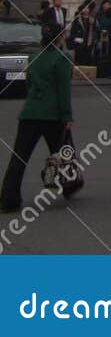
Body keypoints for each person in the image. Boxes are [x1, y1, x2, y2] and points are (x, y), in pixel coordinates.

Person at [0, 22, 74, 213]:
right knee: (63, 153)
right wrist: (67, 116)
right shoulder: (62, 59)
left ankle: (9, 198)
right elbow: (63, 91)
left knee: (19, 158)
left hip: (30, 112)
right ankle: (70, 185)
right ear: (60, 38)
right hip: (52, 115)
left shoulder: (33, 56)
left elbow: (29, 84)